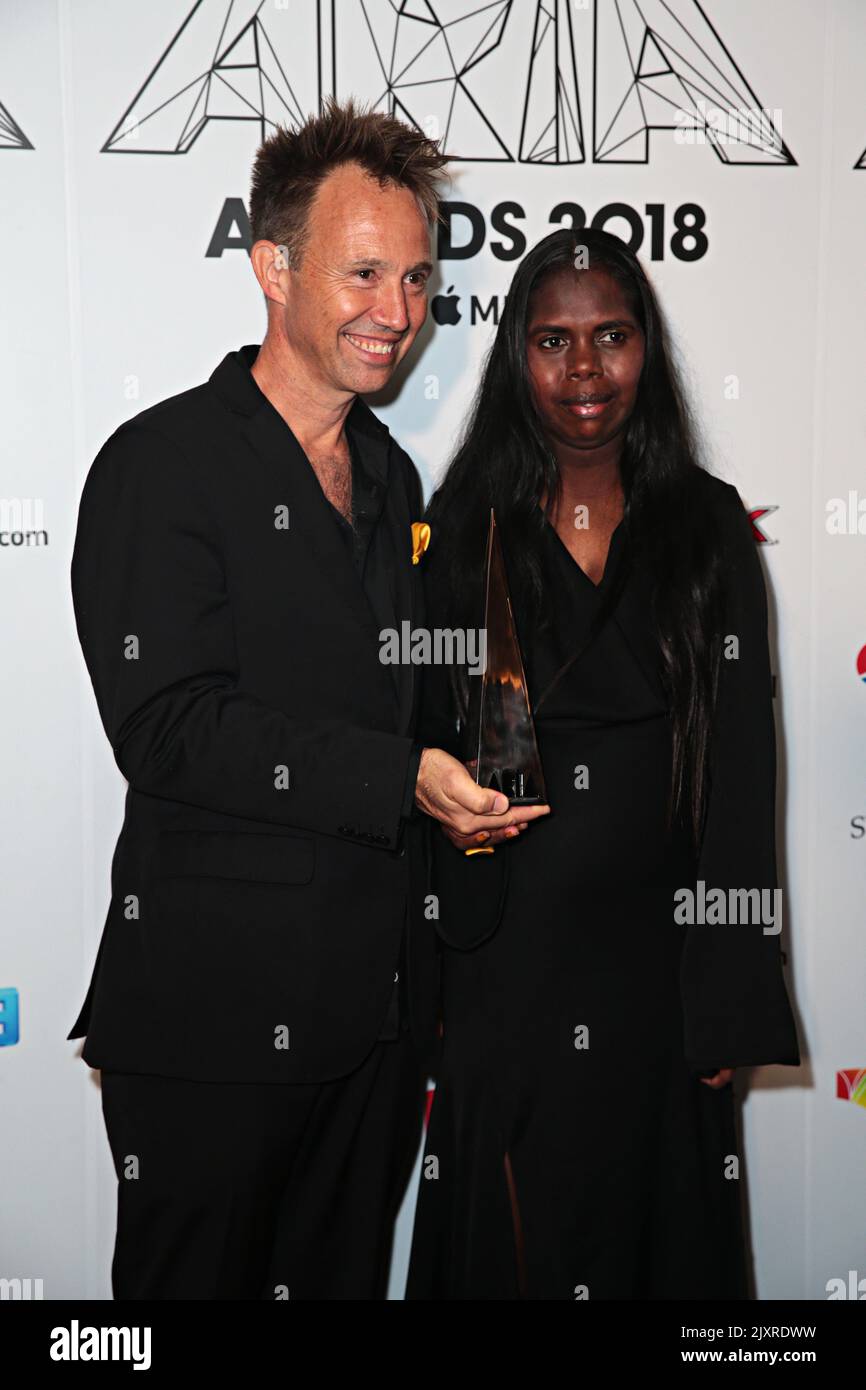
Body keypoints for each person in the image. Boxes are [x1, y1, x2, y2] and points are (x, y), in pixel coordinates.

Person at [68, 97, 546, 1301]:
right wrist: (401, 781)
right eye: (364, 273)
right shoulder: (159, 463)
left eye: (418, 278)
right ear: (272, 266)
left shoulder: (393, 475)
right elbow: (168, 725)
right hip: (213, 1027)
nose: (398, 313)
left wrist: (473, 780)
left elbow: (411, 704)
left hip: (379, 1029)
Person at [406, 226, 800, 1300]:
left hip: (659, 971)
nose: (583, 371)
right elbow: (418, 746)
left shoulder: (707, 527)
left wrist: (725, 989)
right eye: (551, 341)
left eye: (610, 336)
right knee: (515, 1245)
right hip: (503, 961)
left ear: (647, 350)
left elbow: (740, 771)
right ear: (514, 357)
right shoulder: (462, 526)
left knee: (658, 1242)